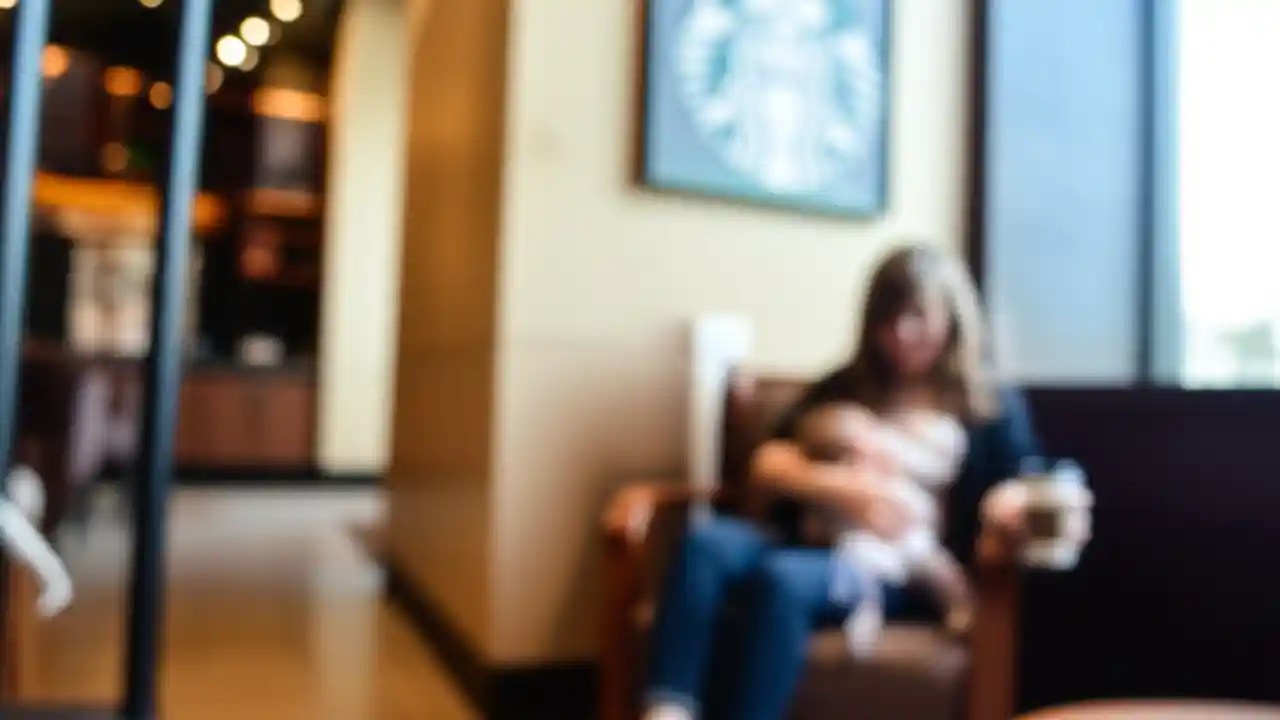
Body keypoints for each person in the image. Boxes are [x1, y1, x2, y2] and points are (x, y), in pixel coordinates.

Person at [643, 244, 1068, 720]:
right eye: (889, 319)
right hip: (808, 532)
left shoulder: (990, 405)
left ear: (951, 316)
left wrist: (1011, 502)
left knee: (782, 579)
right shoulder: (845, 387)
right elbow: (768, 461)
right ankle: (667, 707)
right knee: (705, 545)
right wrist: (843, 488)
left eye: (918, 316)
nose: (902, 334)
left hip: (895, 564)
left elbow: (1025, 478)